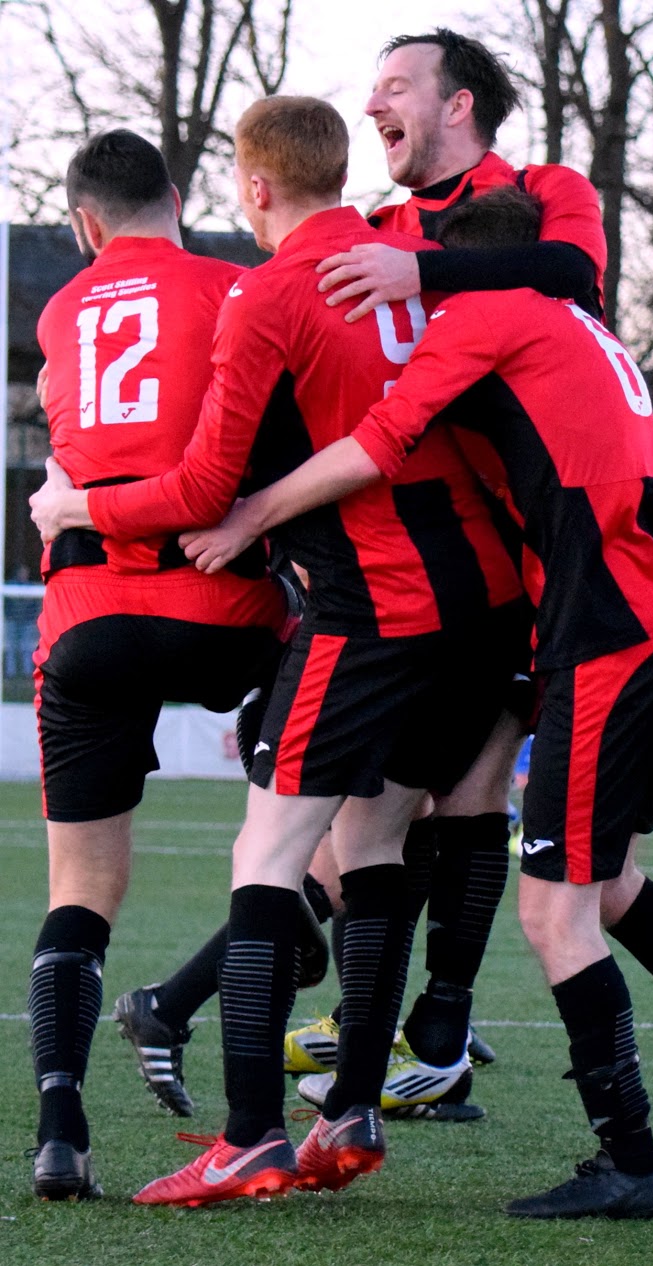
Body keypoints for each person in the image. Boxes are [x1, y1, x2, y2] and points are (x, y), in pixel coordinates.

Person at [179, 185, 653, 1221]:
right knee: (604, 887)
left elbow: (380, 443)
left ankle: (630, 1159)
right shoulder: (575, 320)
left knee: (553, 910)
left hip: (611, 640)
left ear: (458, 260)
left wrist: (254, 510)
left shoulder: (484, 317)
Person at [30, 95, 527, 1206]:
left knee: (268, 852)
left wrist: (75, 512)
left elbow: (207, 489)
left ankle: (250, 1130)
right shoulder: (414, 257)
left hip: (369, 607)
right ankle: (354, 1098)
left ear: (254, 187)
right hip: (490, 602)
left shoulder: (262, 293)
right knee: (377, 839)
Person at [279, 27, 611, 1104]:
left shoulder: (544, 190)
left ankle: (439, 1033)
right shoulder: (368, 226)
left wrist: (419, 266)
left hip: (529, 563)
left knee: (465, 801)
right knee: (381, 812)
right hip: (408, 566)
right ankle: (398, 1032)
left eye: (393, 86)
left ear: (457, 102)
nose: (373, 105)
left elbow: (572, 276)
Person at [24, 129, 291, 1200]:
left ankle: (59, 1128)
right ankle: (237, 1031)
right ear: (177, 198)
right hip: (230, 599)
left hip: (86, 612)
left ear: (85, 224)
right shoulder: (237, 287)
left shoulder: (55, 311)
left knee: (80, 887)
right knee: (312, 851)